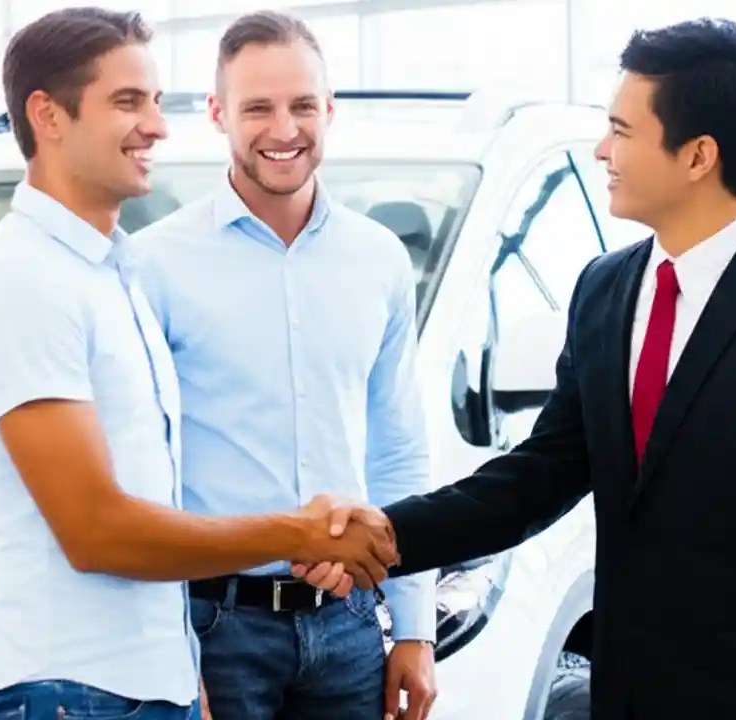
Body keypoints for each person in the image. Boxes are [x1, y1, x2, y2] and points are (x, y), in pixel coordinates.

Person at [301, 16, 736, 720]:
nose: (600, 150)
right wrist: (384, 537)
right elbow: (540, 476)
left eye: (621, 131)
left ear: (698, 155)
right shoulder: (604, 290)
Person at [0, 8, 396, 720]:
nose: (156, 125)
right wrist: (299, 533)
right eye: (128, 102)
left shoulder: (108, 271)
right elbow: (94, 529)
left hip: (140, 682)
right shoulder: (24, 280)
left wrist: (185, 667)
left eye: (154, 101)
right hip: (76, 693)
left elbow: (143, 487)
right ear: (47, 116)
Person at [130, 10, 438, 720]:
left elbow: (397, 448)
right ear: (217, 114)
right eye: (257, 108)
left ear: (329, 109)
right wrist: (162, 647)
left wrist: (414, 628)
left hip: (350, 623)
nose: (283, 129)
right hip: (213, 628)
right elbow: (135, 470)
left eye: (302, 105)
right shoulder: (155, 266)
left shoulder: (380, 259)